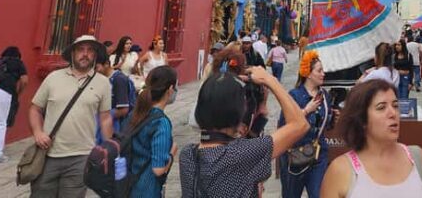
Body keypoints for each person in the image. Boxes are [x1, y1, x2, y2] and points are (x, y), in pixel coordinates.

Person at [179, 65, 308, 197]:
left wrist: (227, 84)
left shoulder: (187, 155)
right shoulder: (241, 153)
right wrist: (270, 80)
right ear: (237, 113)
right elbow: (300, 124)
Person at [320, 79, 422, 197]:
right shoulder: (340, 171)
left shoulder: (419, 159)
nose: (393, 113)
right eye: (381, 108)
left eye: (395, 105)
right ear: (362, 120)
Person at [29, 35, 113, 197]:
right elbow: (35, 109)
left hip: (81, 157)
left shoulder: (103, 83)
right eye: (81, 49)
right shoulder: (53, 78)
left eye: (90, 50)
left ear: (95, 55)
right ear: (73, 53)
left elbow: (105, 117)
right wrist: (38, 133)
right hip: (48, 154)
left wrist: (109, 147)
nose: (85, 54)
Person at [279, 51, 332, 198]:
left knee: (318, 194)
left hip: (318, 154)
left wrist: (333, 117)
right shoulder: (294, 95)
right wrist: (306, 110)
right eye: (319, 71)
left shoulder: (325, 96)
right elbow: (283, 125)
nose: (323, 74)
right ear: (308, 74)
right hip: (296, 155)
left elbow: (326, 125)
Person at [126, 65, 177, 197]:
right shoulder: (161, 123)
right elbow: (159, 170)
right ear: (170, 89)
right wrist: (172, 153)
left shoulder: (135, 114)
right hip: (148, 190)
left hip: (129, 186)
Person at [95, 53, 135, 137]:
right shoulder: (101, 78)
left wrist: (102, 116)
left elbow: (124, 110)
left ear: (106, 64)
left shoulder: (119, 79)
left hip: (116, 126)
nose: (94, 71)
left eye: (96, 68)